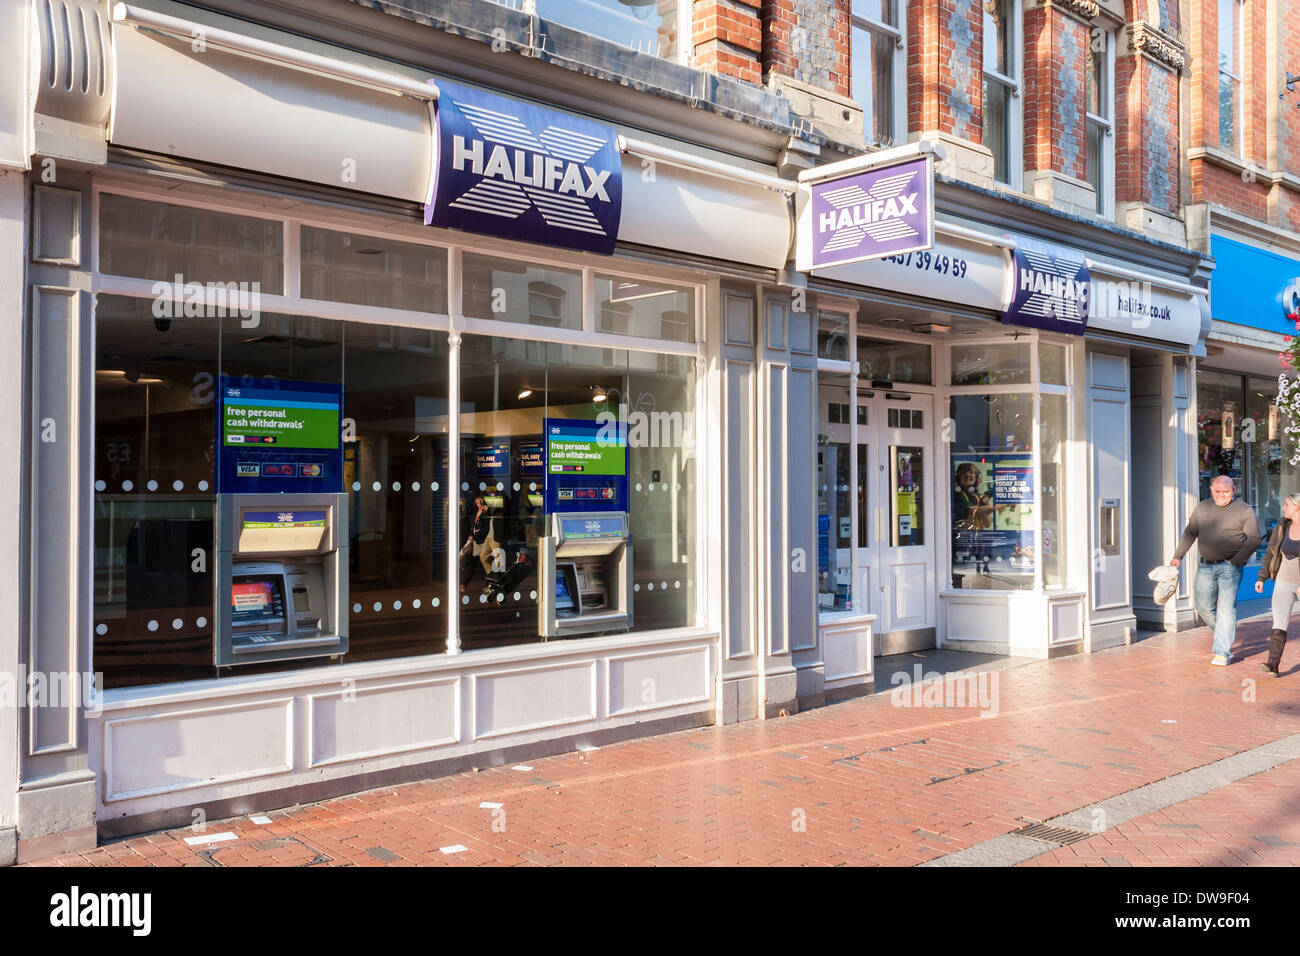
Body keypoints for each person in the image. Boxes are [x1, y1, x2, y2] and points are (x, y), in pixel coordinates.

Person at [1171, 475, 1261, 666]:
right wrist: (1178, 556)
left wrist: (1236, 561)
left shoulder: (1244, 510)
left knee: (1226, 610)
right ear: (1211, 489)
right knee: (1203, 607)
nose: (1221, 495)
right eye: (1217, 491)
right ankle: (1224, 631)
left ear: (1233, 490)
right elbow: (1190, 532)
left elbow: (1254, 538)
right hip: (1205, 566)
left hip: (1231, 568)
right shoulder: (1202, 507)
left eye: (1226, 492)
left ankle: (1222, 651)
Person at [1253, 492, 1300, 676]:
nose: (1283, 507)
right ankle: (1273, 665)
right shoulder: (1282, 527)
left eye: (1287, 504)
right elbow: (1271, 554)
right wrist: (1261, 578)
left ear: (1297, 507)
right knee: (1279, 623)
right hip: (1283, 581)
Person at [953, 462, 994, 574]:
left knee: (984, 549)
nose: (968, 475)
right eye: (964, 472)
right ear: (958, 477)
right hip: (964, 534)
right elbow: (970, 510)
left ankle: (984, 567)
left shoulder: (976, 496)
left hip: (978, 531)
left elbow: (987, 524)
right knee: (977, 550)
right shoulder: (957, 495)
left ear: (976, 477)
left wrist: (985, 509)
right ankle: (979, 567)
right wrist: (990, 507)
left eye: (971, 472)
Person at [459, 494, 490, 593]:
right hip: (475, 542)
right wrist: (470, 536)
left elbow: (486, 529)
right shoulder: (475, 513)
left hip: (482, 541)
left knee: (484, 563)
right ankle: (463, 584)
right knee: (472, 563)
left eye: (480, 501)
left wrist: (475, 537)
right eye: (477, 501)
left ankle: (490, 585)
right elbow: (472, 527)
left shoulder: (486, 513)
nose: (479, 503)